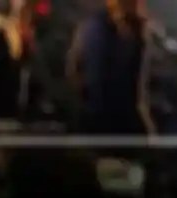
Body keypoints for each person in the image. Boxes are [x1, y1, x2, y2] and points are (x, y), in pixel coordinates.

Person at [66, 0, 156, 137]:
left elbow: (74, 73)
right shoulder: (98, 28)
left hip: (101, 120)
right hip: (107, 122)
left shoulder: (136, 33)